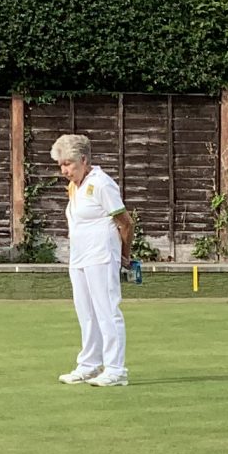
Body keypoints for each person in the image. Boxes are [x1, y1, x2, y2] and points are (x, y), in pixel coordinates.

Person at [52, 133, 132, 387]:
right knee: (85, 312)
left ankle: (116, 369)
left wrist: (124, 256)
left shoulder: (102, 184)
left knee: (107, 310)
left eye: (68, 164)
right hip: (79, 257)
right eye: (61, 165)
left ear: (84, 160)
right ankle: (89, 364)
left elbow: (126, 223)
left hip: (102, 255)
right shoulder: (74, 186)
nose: (64, 170)